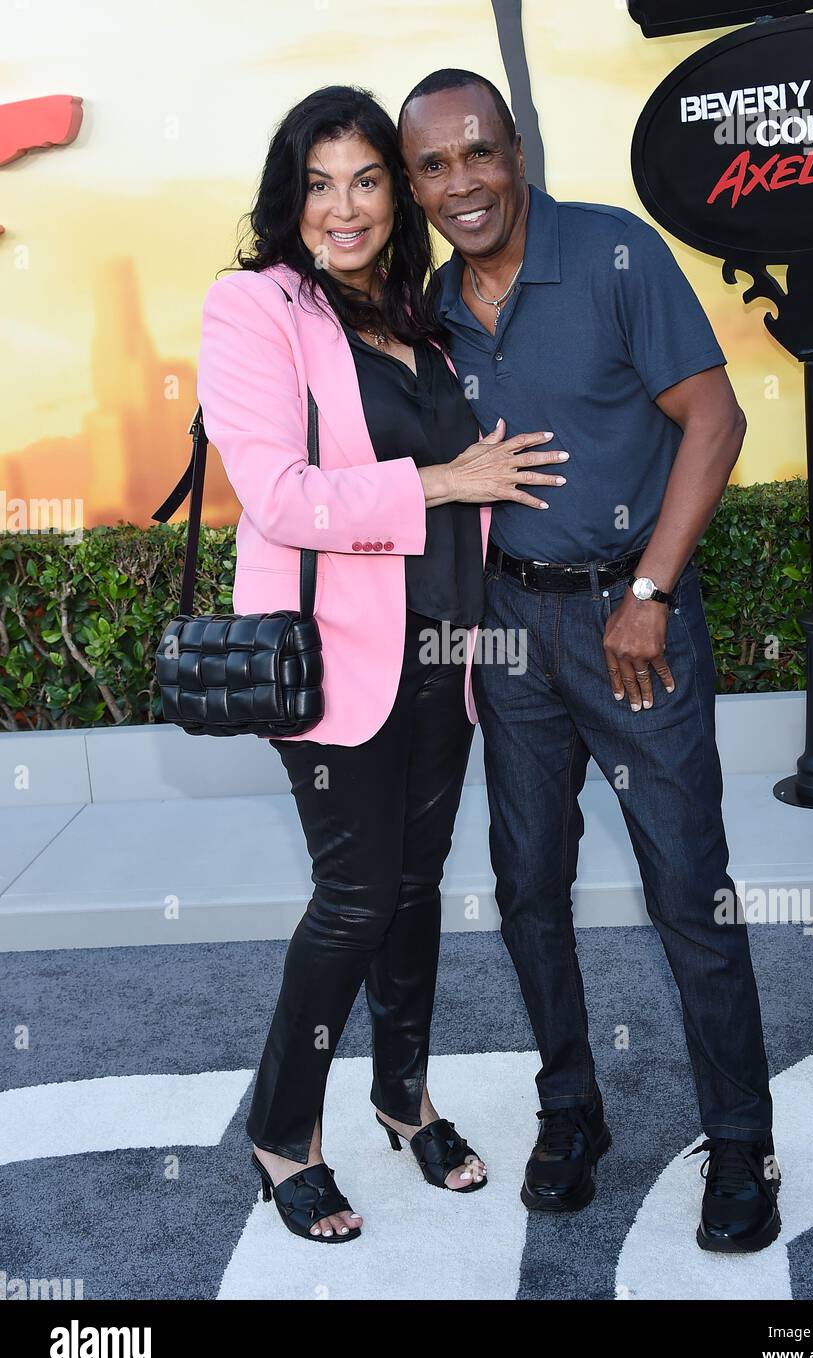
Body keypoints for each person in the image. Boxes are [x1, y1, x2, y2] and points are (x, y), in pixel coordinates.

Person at [399, 69, 781, 1252]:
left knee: (687, 891)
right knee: (524, 885)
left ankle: (737, 1143)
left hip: (634, 628)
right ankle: (570, 1110)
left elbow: (714, 419)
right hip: (513, 637)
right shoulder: (435, 306)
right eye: (433, 166)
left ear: (516, 150)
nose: (460, 182)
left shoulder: (612, 252)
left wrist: (651, 593)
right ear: (415, 185)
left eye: (478, 153)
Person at [197, 84, 567, 1242]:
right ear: (286, 196)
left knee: (412, 894)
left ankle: (403, 1099)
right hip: (334, 659)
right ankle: (280, 1128)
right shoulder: (253, 307)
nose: (343, 206)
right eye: (318, 183)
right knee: (353, 900)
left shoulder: (417, 315)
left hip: (443, 656)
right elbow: (280, 495)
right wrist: (446, 482)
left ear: (394, 194)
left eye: (365, 179)